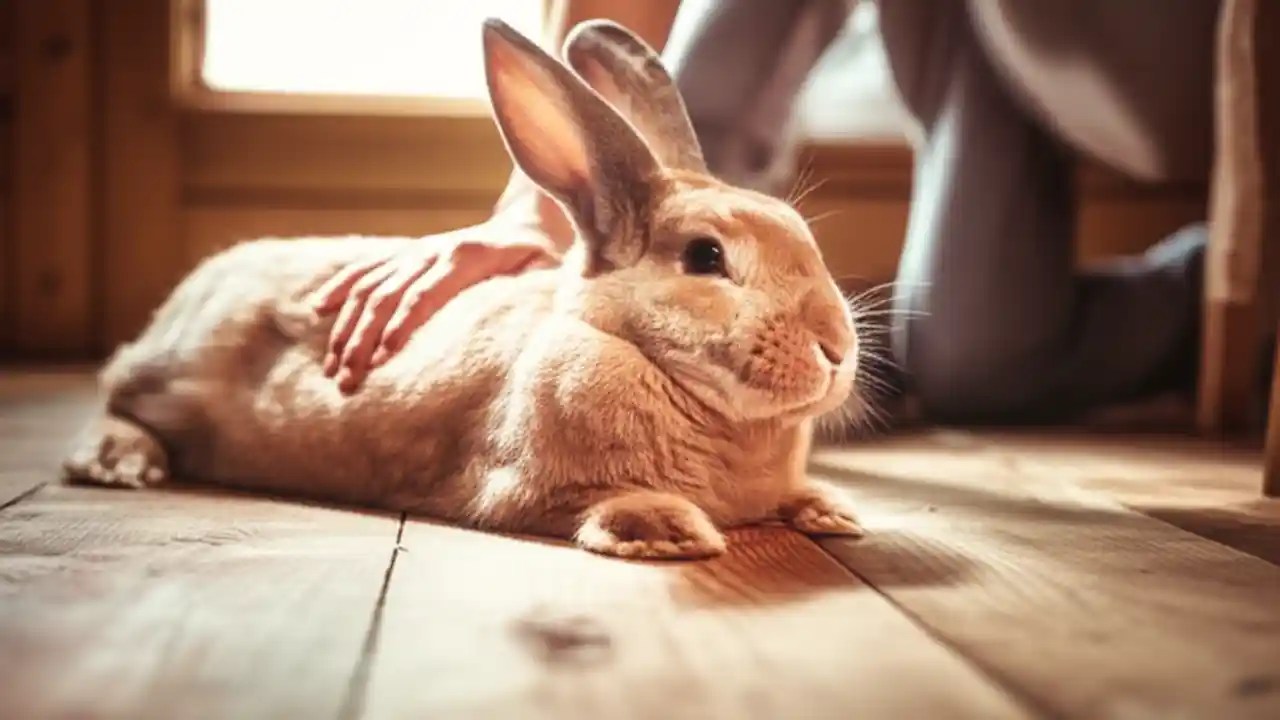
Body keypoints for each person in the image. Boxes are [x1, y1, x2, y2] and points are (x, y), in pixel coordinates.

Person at [310, 0, 1217, 425]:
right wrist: (537, 216)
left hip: (1187, 48)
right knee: (985, 365)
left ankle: (1240, 275)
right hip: (1008, 39)